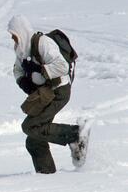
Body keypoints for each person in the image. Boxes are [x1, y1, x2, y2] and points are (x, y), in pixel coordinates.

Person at [8, 15, 88, 174]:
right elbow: (17, 69)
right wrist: (24, 81)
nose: (13, 38)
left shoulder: (43, 43)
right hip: (45, 93)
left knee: (30, 126)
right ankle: (47, 177)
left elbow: (62, 66)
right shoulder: (21, 49)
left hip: (59, 91)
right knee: (34, 141)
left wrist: (42, 72)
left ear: (22, 31)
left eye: (14, 34)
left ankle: (76, 135)